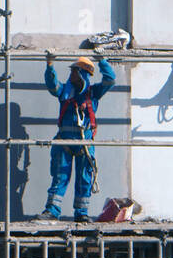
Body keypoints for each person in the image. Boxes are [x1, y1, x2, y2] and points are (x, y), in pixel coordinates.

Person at [37, 54, 116, 223]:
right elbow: (52, 85)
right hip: (64, 142)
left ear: (82, 73)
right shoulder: (65, 91)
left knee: (84, 178)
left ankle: (81, 213)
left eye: (74, 71)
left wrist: (102, 60)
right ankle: (52, 211)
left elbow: (110, 80)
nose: (71, 75)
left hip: (84, 143)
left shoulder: (94, 92)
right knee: (60, 176)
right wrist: (50, 65)